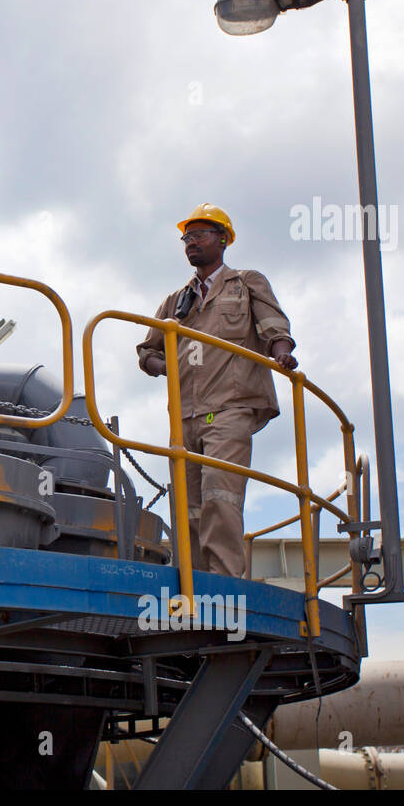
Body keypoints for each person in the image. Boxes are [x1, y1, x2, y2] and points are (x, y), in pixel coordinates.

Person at [135, 203, 297, 578]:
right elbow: (147, 352)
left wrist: (282, 353)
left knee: (220, 496)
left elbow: (274, 325)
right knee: (188, 507)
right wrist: (164, 366)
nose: (191, 243)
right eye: (186, 238)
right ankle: (192, 584)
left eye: (199, 235)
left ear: (223, 240)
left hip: (231, 407)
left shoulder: (246, 282)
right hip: (185, 414)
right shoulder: (176, 301)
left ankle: (225, 585)